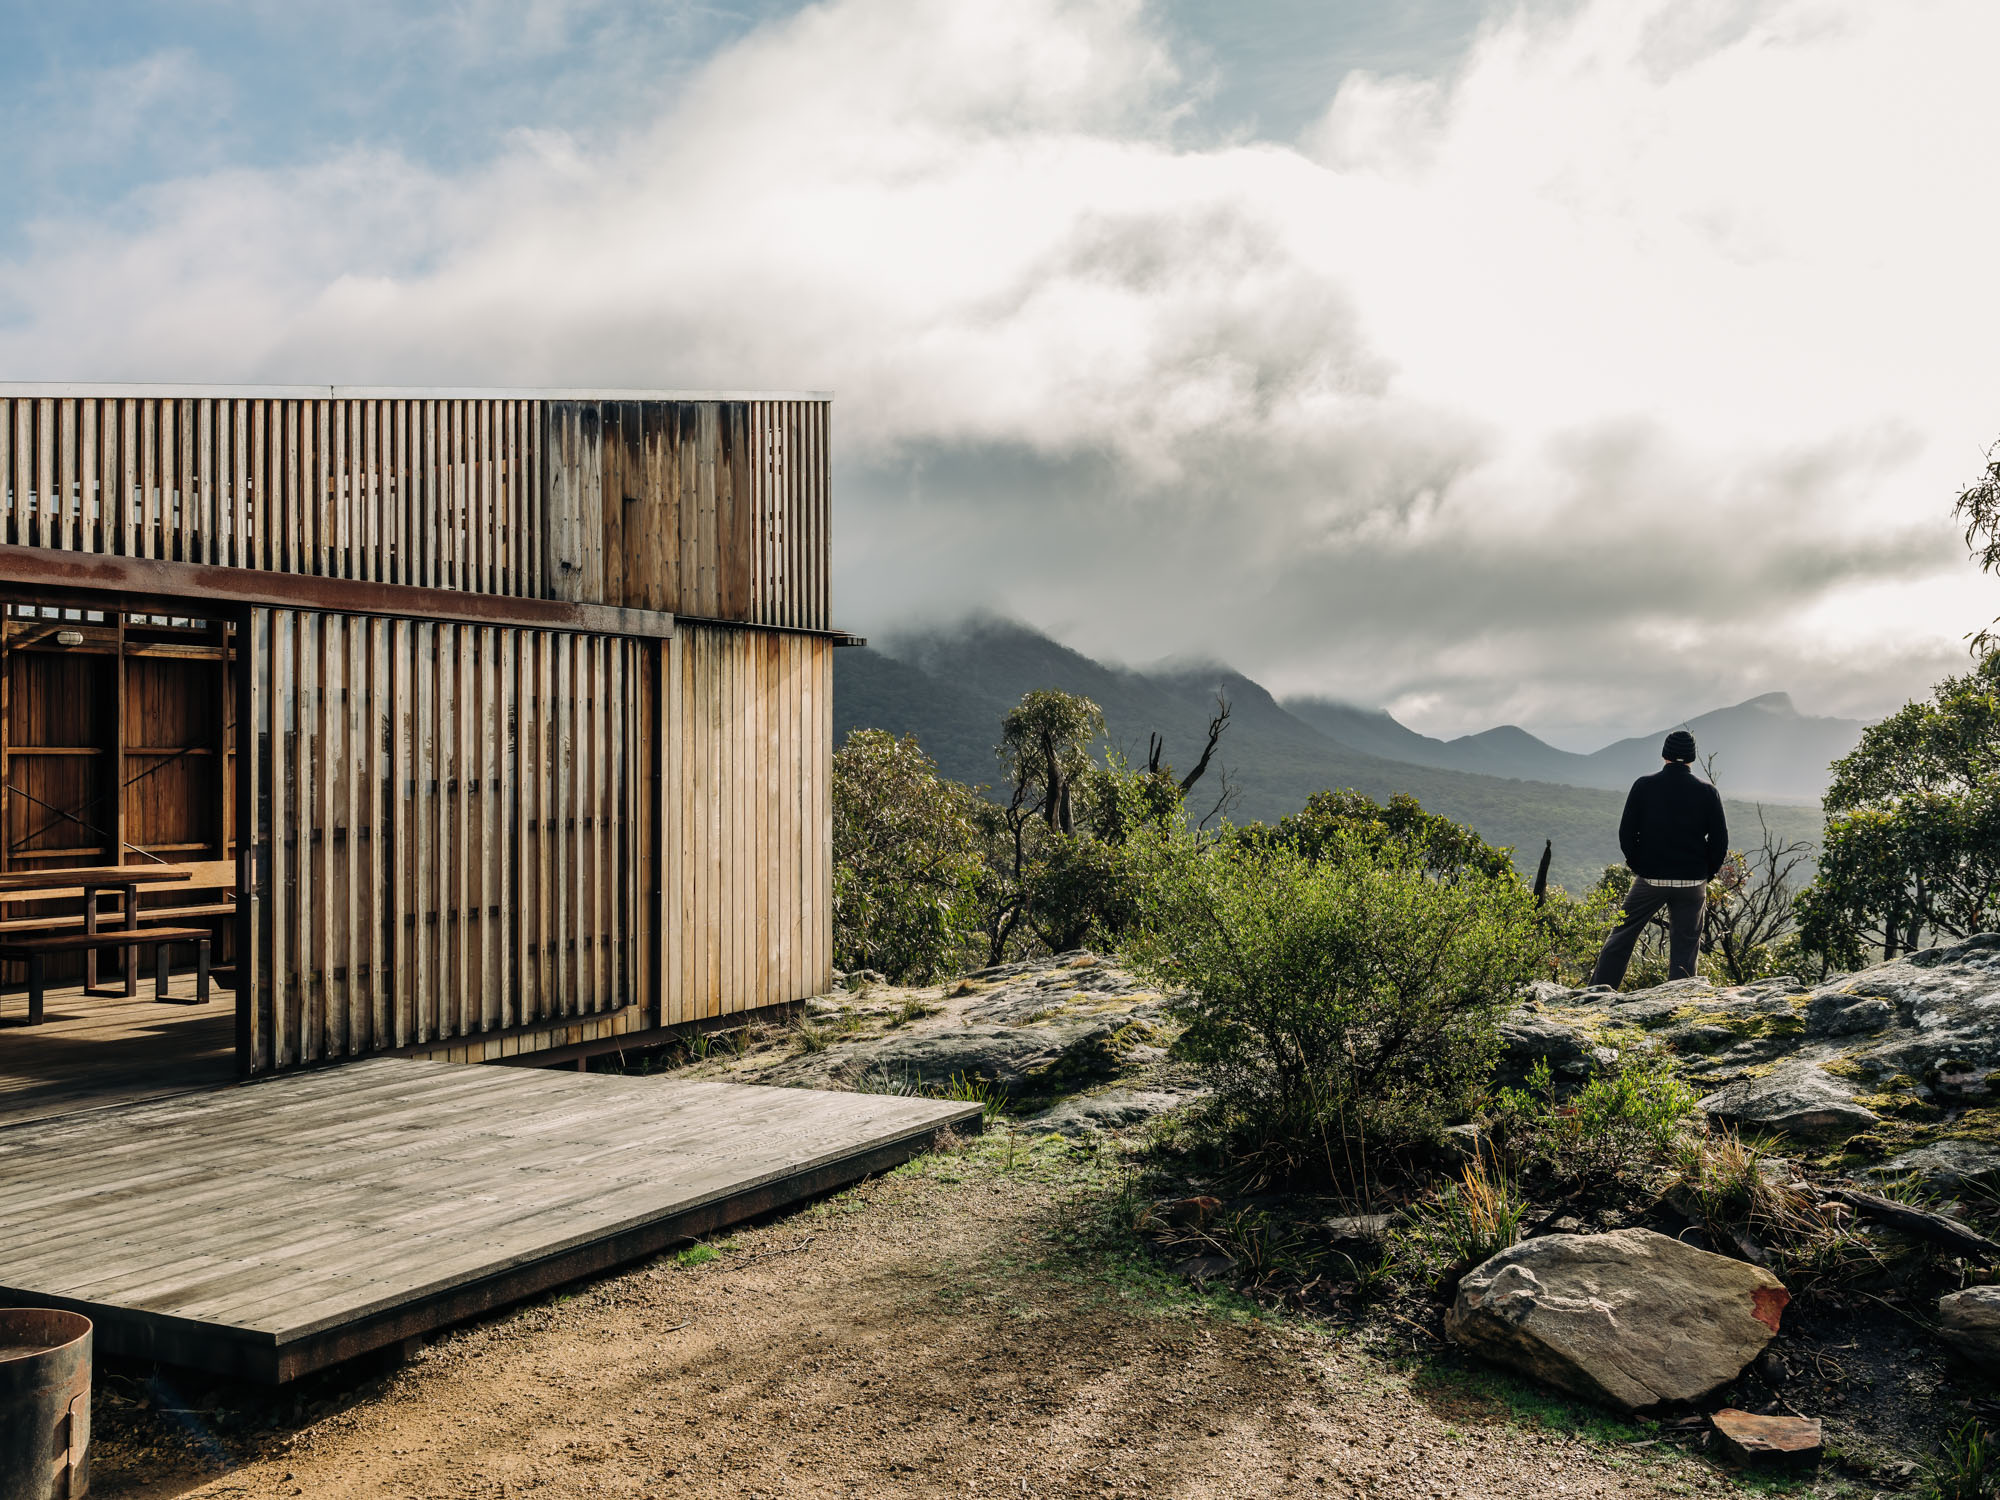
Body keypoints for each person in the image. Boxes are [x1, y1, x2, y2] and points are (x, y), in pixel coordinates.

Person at [1587, 729, 1729, 988]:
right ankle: (1679, 1000)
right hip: (1692, 881)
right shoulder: (1708, 791)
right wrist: (1705, 873)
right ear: (1691, 758)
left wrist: (1639, 865)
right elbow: (1719, 841)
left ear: (1665, 755)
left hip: (1651, 878)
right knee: (1686, 946)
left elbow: (1627, 833)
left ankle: (1598, 993)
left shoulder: (1644, 785)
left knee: (1622, 935)